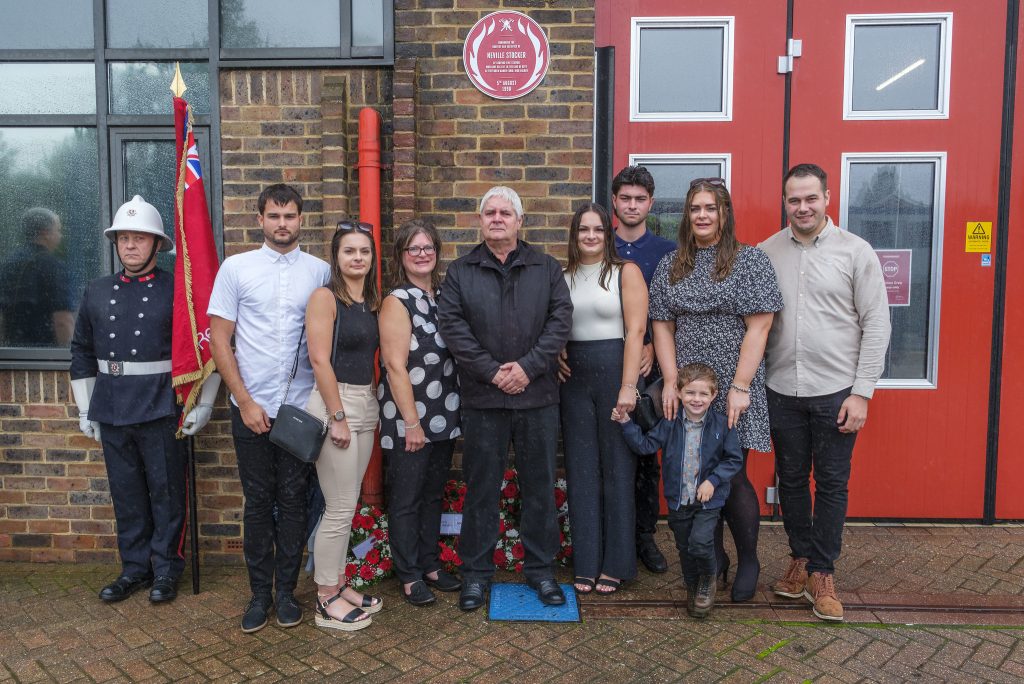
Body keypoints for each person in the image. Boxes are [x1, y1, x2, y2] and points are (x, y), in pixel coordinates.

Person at [759, 163, 891, 622]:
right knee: (791, 480)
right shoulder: (766, 252)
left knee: (832, 483)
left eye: (810, 198)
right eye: (793, 200)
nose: (802, 207)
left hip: (837, 391)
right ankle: (799, 558)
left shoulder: (856, 252)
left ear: (827, 198)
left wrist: (863, 392)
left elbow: (877, 323)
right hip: (781, 389)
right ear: (785, 202)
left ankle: (823, 571)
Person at [69, 195, 215, 605]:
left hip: (160, 403)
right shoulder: (97, 291)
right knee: (127, 492)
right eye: (124, 238)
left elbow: (205, 347)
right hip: (112, 404)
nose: (131, 245)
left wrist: (202, 402)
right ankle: (134, 568)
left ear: (157, 244)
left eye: (140, 238)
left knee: (166, 491)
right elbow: (81, 351)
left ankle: (166, 569)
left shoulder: (177, 290)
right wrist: (86, 406)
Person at [437, 186, 573, 611]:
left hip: (537, 399)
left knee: (538, 488)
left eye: (505, 213)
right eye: (490, 212)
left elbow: (559, 322)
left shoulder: (547, 269)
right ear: (480, 221)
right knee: (480, 489)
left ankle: (541, 571)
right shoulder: (460, 272)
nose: (497, 218)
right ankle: (476, 575)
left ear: (519, 221)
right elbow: (453, 328)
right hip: (483, 400)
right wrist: (494, 372)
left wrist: (528, 368)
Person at [649, 178, 783, 602]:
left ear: (725, 214)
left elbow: (760, 326)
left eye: (711, 208)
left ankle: (749, 559)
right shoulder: (672, 265)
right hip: (691, 385)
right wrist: (671, 381)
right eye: (695, 209)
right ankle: (714, 557)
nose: (702, 215)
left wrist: (740, 387)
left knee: (732, 471)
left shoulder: (750, 261)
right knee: (694, 468)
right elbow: (662, 326)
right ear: (686, 216)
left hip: (733, 381)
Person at [208, 184, 330, 633]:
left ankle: (286, 592)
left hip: (300, 410)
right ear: (260, 219)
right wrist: (243, 401)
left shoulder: (320, 272)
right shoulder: (236, 268)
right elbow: (220, 339)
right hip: (251, 410)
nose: (283, 224)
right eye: (275, 216)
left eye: (291, 215)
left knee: (294, 502)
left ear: (301, 220)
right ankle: (259, 595)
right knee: (259, 503)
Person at [557, 203, 647, 595]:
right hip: (573, 379)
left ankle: (616, 563)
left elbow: (637, 329)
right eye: (583, 230)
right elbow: (555, 324)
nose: (590, 236)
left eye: (597, 230)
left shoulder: (624, 272)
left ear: (607, 235)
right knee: (580, 471)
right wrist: (557, 351)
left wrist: (629, 386)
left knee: (617, 469)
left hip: (614, 371)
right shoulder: (562, 277)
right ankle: (587, 562)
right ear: (574, 236)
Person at [304, 220, 385, 631]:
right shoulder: (325, 297)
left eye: (364, 251)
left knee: (348, 505)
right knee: (337, 509)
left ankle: (338, 583)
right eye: (349, 251)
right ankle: (324, 599)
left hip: (364, 402)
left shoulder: (368, 300)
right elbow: (319, 359)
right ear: (336, 257)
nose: (358, 258)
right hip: (335, 405)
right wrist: (336, 416)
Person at [612, 363, 743, 618]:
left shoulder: (722, 425)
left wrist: (713, 481)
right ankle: (693, 586)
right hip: (678, 499)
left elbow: (733, 460)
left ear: (714, 395)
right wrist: (626, 422)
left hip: (708, 500)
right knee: (684, 547)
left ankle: (707, 581)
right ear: (680, 393)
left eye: (704, 394)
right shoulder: (669, 424)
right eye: (691, 393)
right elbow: (645, 445)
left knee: (700, 542)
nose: (697, 399)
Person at [379, 219, 463, 607]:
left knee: (432, 495)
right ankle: (410, 574)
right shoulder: (397, 301)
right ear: (401, 255)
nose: (422, 254)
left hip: (443, 415)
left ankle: (430, 563)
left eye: (428, 247)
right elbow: (395, 366)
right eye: (414, 248)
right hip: (409, 419)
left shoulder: (444, 296)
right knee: (408, 498)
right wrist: (411, 423)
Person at [610, 166, 676, 574]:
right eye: (625, 198)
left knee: (646, 457)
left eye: (640, 199)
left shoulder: (668, 252)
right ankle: (613, 533)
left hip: (650, 370)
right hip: (604, 366)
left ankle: (644, 537)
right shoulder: (600, 245)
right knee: (611, 451)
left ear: (650, 203)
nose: (632, 205)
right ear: (614, 202)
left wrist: (653, 344)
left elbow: (674, 308)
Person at [1, 207, 75, 347]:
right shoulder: (54, 267)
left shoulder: (8, 264)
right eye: (58, 230)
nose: (60, 236)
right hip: (45, 355)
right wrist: (69, 356)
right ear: (45, 233)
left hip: (12, 352)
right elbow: (62, 321)